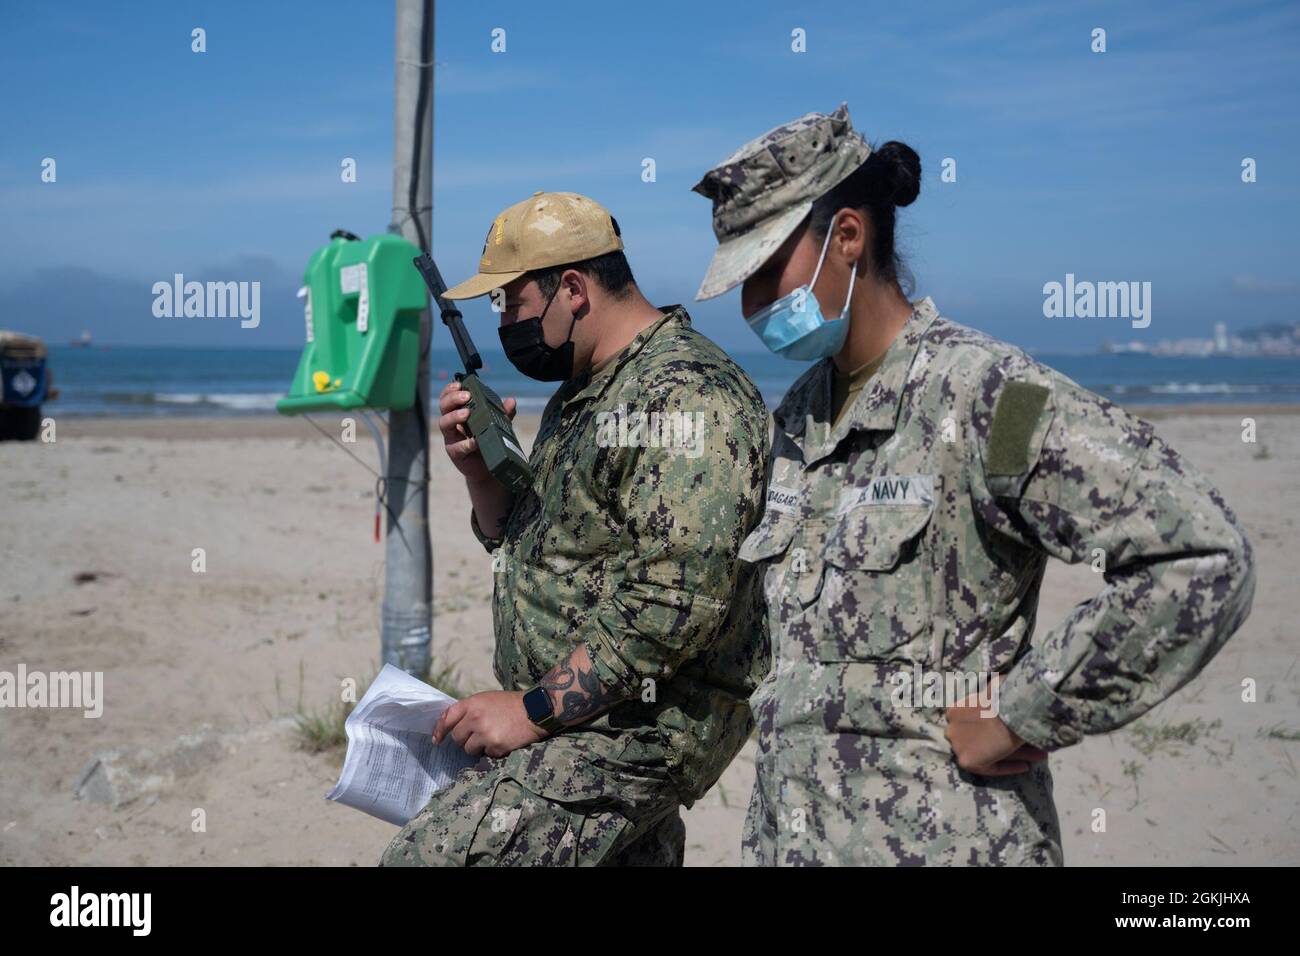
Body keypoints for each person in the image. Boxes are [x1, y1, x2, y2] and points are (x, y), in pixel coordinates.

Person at [691, 105, 1257, 865]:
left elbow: (1199, 558)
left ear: (848, 237)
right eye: (743, 282)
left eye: (766, 271)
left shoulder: (990, 396)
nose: (753, 306)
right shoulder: (797, 419)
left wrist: (1024, 711)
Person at [380, 191, 770, 866]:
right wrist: (481, 475)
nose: (503, 323)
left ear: (572, 288)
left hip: (633, 734)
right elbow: (538, 546)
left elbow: (673, 606)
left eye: (510, 302)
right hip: (576, 719)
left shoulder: (683, 393)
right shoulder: (585, 390)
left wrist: (528, 710)